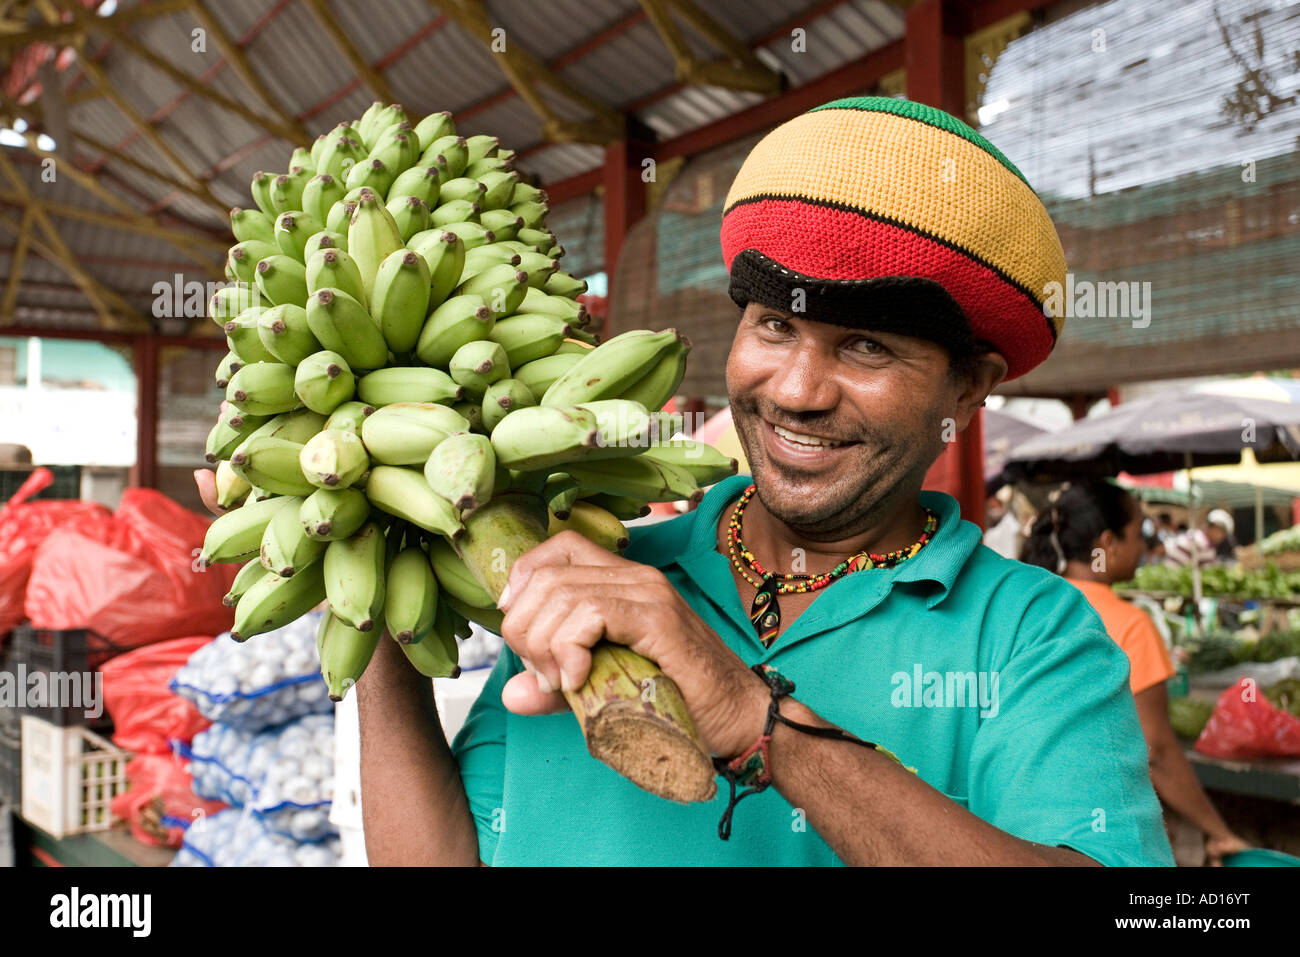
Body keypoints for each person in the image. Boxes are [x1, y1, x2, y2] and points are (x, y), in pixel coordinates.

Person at [199, 97, 1174, 866]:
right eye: (774, 326)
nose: (795, 390)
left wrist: (754, 720)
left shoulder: (1036, 638)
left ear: (969, 385)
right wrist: (373, 613)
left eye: (866, 345)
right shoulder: (607, 578)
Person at [1021, 481, 1249, 865]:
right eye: (1138, 533)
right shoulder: (1130, 625)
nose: (1144, 547)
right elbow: (1156, 751)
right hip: (1101, 843)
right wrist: (1220, 832)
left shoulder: (1029, 605)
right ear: (1108, 543)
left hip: (1021, 830)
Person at [1163, 509, 1236, 567]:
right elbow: (1206, 570)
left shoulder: (1202, 541)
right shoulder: (1198, 541)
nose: (1222, 538)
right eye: (1223, 533)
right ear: (1215, 529)